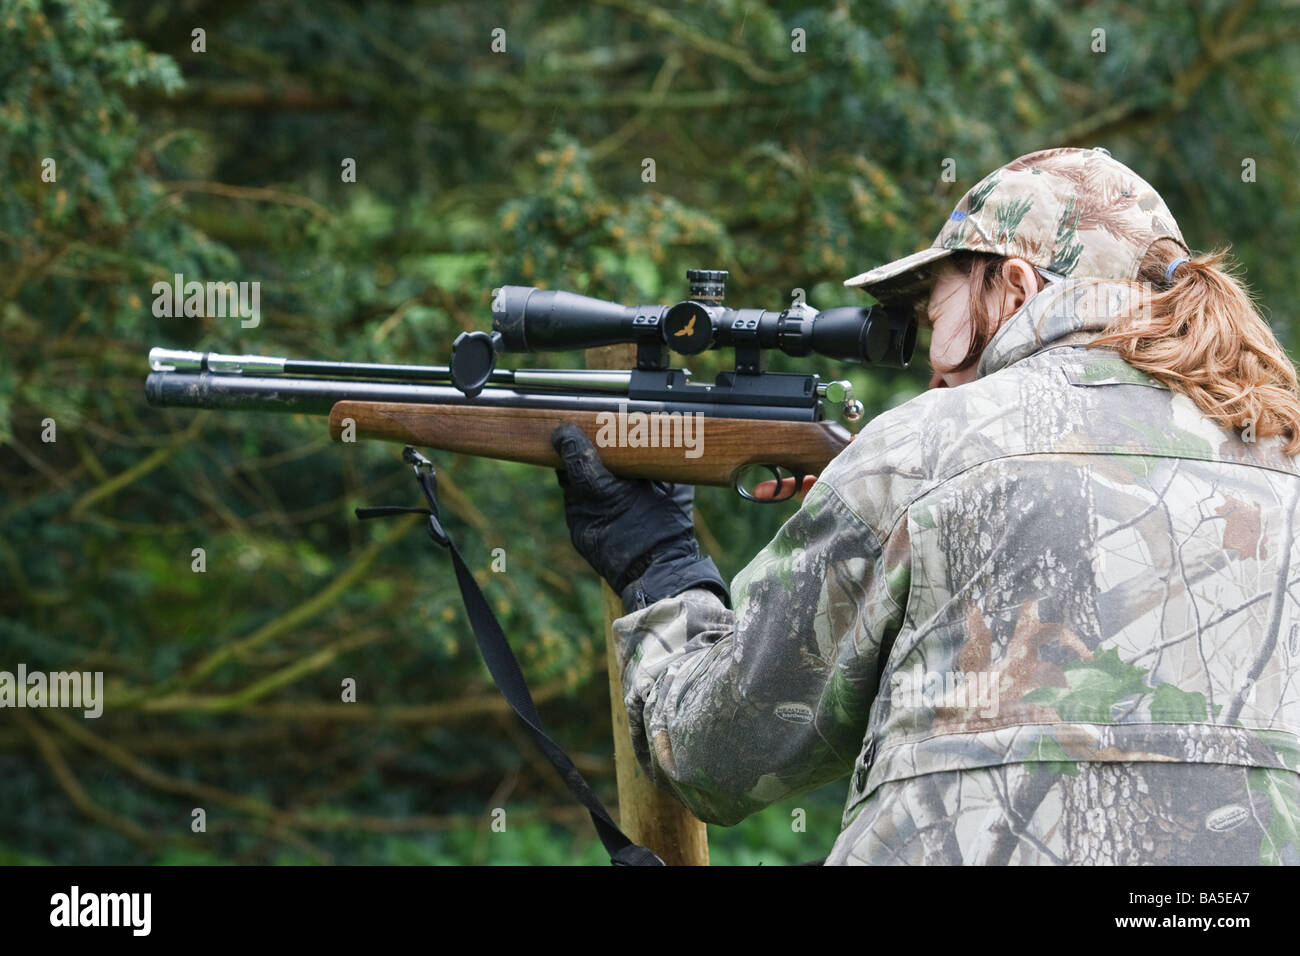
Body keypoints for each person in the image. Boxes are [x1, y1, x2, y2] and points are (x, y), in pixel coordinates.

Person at [551, 146, 1300, 865]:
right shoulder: (1285, 455)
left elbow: (711, 753)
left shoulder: (922, 449)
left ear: (1014, 286)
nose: (933, 368)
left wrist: (660, 565)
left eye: (935, 312)